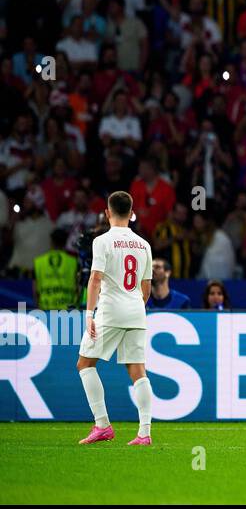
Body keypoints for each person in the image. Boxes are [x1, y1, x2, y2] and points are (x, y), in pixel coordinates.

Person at [75, 190, 155, 446]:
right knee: (137, 370)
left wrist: (89, 314)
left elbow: (95, 278)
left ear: (107, 213)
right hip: (136, 310)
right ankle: (144, 432)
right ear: (132, 214)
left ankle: (102, 425)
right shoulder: (144, 244)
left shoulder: (102, 241)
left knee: (85, 364)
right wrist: (135, 306)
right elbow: (147, 286)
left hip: (110, 310)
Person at [33, 228, 78, 311]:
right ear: (65, 242)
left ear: (51, 242)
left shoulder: (39, 262)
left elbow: (35, 290)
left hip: (45, 310)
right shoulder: (74, 262)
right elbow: (78, 288)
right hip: (68, 312)